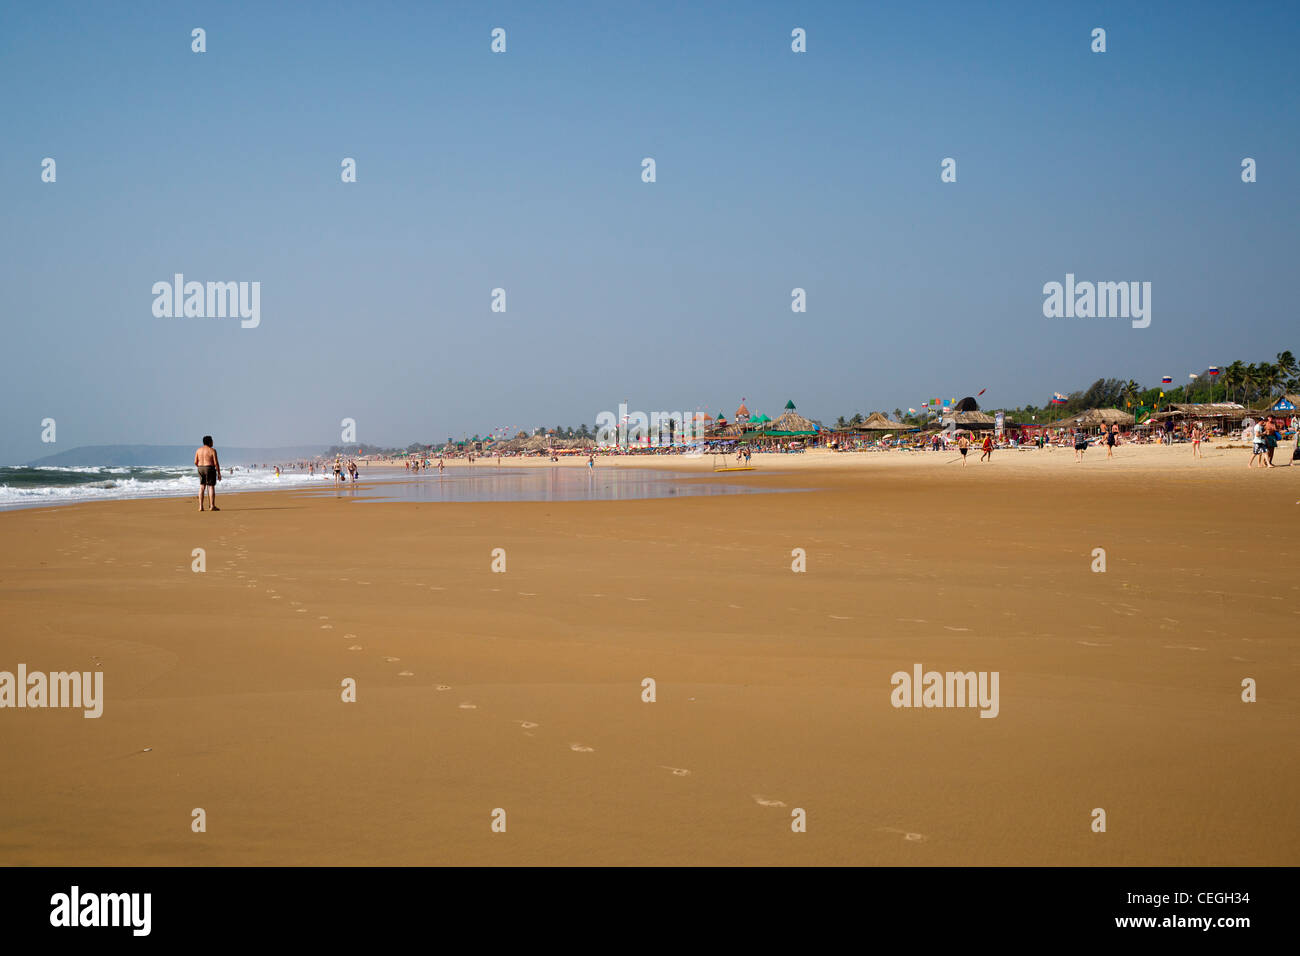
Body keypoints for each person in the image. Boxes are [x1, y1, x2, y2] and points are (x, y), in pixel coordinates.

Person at [194, 436, 221, 512]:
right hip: (209, 468)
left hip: (200, 468)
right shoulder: (212, 450)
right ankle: (212, 506)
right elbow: (216, 463)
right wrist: (219, 473)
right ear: (209, 442)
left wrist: (201, 467)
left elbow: (195, 462)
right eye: (212, 441)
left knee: (202, 486)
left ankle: (200, 507)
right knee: (211, 486)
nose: (213, 442)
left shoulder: (198, 450)